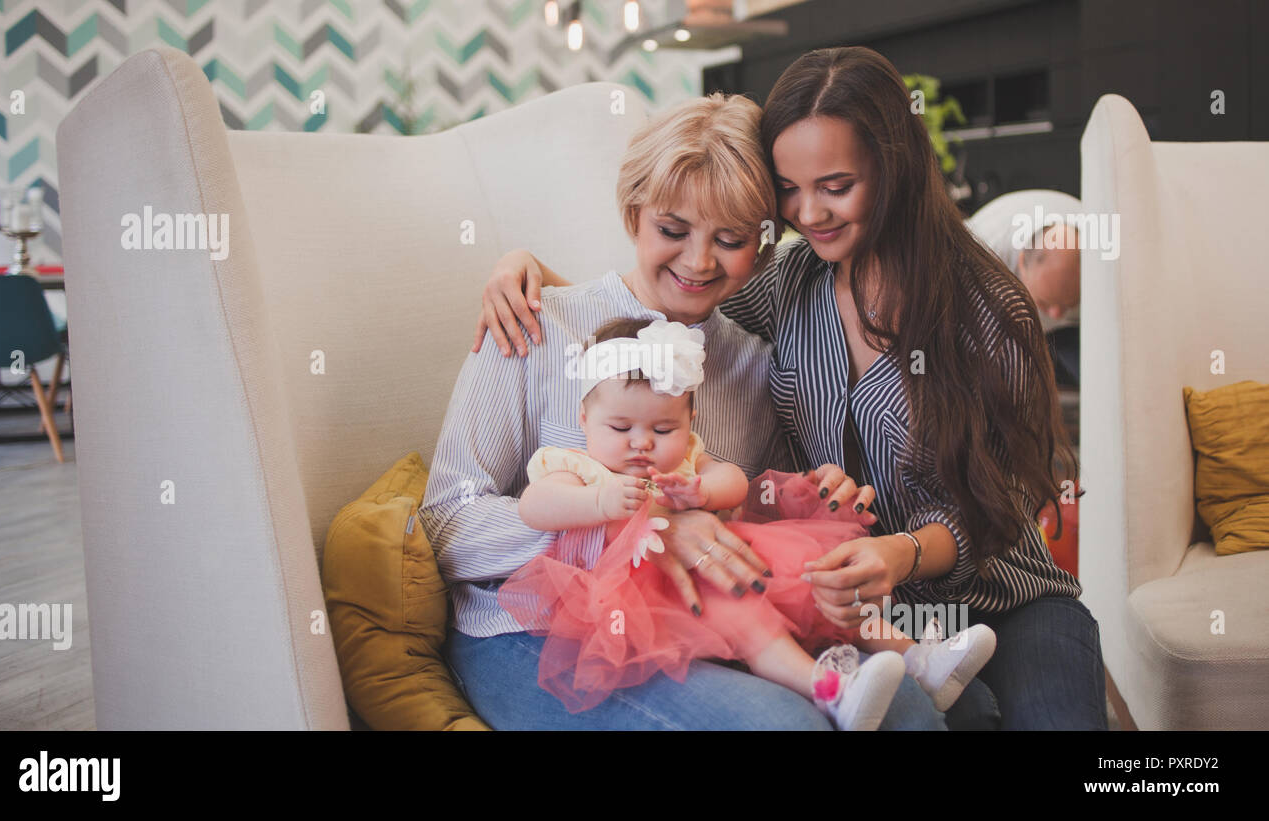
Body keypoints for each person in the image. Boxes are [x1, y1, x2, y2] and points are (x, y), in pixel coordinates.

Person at [474, 46, 1108, 730]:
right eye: (791, 189)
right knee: (950, 714)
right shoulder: (790, 283)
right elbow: (673, 311)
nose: (810, 214)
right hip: (857, 602)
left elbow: (1009, 502)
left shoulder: (989, 306)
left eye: (836, 185)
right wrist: (537, 271)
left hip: (1002, 596)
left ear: (893, 169)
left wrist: (903, 550)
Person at [500, 316, 997, 728]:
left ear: (689, 423)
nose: (642, 442)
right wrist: (601, 502)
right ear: (584, 420)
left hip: (729, 557)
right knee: (748, 619)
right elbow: (534, 505)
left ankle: (920, 659)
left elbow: (735, 481)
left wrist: (701, 491)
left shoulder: (686, 459)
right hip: (655, 592)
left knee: (816, 576)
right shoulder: (578, 468)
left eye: (664, 427)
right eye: (620, 427)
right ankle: (829, 690)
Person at [967, 189, 1082, 385]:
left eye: (1068, 302)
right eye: (1044, 303)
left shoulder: (1107, 259)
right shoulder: (979, 254)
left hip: (1074, 328)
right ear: (1021, 262)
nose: (1055, 314)